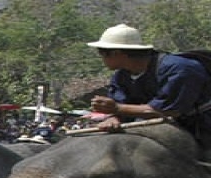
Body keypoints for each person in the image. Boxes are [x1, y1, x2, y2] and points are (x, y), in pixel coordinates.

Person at [87, 24, 211, 160]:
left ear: (117, 53)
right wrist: (112, 118)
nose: (102, 59)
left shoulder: (181, 69)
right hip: (163, 126)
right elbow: (121, 105)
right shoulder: (121, 76)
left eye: (102, 54)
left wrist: (116, 108)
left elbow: (169, 110)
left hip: (203, 126)